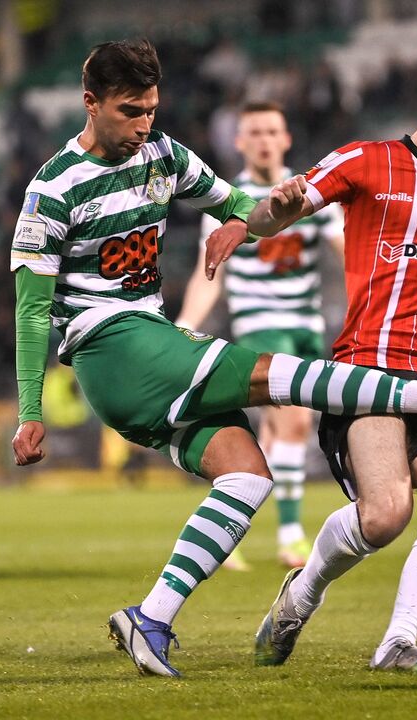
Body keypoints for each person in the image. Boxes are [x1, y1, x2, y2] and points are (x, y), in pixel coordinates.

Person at [10, 38, 417, 679]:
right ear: (90, 103)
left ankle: (151, 619)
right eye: (129, 111)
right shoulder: (53, 189)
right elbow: (32, 311)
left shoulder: (162, 154)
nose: (143, 125)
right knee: (271, 376)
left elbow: (236, 201)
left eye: (150, 109)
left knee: (249, 475)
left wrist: (246, 222)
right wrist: (30, 410)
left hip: (152, 338)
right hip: (108, 346)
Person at [243, 44, 417, 675]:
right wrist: (273, 213)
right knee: (387, 514)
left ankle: (398, 642)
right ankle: (301, 592)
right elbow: (273, 212)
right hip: (367, 375)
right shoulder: (367, 162)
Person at [177, 101, 345, 571]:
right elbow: (208, 274)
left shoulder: (309, 194)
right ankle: (291, 537)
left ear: (286, 138)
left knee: (282, 435)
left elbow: (349, 252)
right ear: (240, 141)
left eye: (272, 130)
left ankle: (222, 521)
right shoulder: (224, 202)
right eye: (255, 132)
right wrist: (185, 326)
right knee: (291, 423)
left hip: (306, 327)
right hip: (260, 327)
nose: (265, 139)